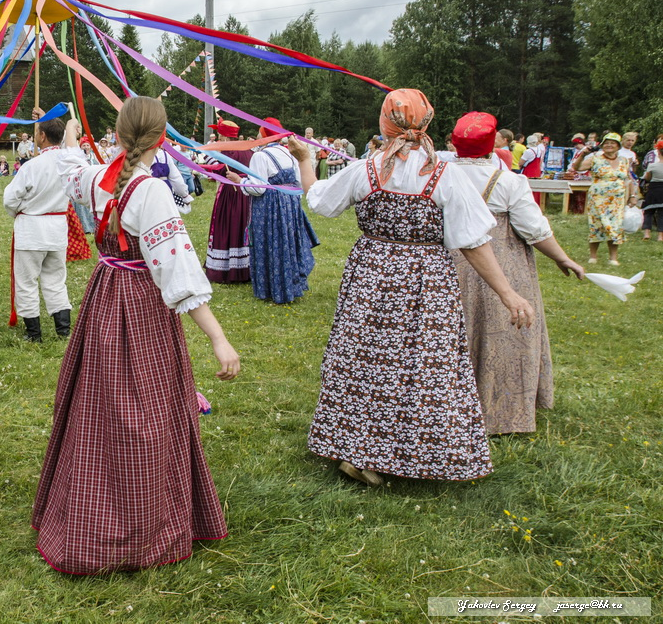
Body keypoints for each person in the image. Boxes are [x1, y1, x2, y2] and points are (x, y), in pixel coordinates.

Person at [33, 97, 239, 575]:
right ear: (163, 140)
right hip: (140, 306)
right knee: (144, 408)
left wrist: (67, 133)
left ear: (119, 135)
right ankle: (141, 523)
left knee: (100, 404)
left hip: (105, 296)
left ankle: (89, 504)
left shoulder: (97, 177)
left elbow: (70, 165)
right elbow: (179, 274)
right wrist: (217, 338)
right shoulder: (151, 192)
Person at [301, 89, 534, 486]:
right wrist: (507, 291)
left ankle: (360, 450)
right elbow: (473, 242)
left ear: (384, 124)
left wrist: (305, 161)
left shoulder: (365, 169)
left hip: (370, 276)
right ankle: (410, 451)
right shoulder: (447, 176)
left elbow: (319, 199)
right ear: (427, 123)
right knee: (423, 365)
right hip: (425, 282)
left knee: (366, 361)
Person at [448, 112, 585, 434]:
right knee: (501, 334)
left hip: (447, 262)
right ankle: (501, 410)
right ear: (491, 146)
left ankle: (450, 406)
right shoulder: (509, 182)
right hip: (501, 262)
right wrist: (563, 259)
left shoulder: (439, 176)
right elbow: (534, 230)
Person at [3, 111, 72, 342]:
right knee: (55, 279)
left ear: (42, 136)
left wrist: (22, 210)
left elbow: (10, 198)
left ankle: (34, 334)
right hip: (57, 229)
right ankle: (63, 330)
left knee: (27, 281)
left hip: (32, 230)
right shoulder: (70, 162)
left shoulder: (33, 166)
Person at [241, 117, 319, 304]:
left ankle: (271, 288)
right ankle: (290, 285)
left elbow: (259, 188)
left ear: (264, 134)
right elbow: (299, 182)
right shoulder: (290, 153)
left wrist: (242, 182)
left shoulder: (260, 156)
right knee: (287, 243)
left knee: (269, 242)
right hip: (290, 204)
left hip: (269, 208)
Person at [199, 119, 253, 283]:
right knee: (241, 225)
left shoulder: (227, 153)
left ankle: (226, 270)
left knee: (227, 225)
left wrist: (208, 161)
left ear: (223, 135)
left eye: (220, 134)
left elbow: (221, 171)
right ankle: (244, 269)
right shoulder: (248, 150)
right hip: (245, 192)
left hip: (230, 193)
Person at [570, 133, 632, 265]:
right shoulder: (595, 159)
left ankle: (613, 258)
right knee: (597, 225)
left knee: (615, 226)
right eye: (606, 143)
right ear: (602, 145)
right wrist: (583, 155)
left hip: (617, 201)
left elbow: (628, 179)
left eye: (613, 143)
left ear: (618, 146)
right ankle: (593, 256)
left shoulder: (624, 160)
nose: (609, 145)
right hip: (598, 200)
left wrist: (632, 196)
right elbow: (576, 168)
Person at [641, 139, 663, 242]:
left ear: (658, 152)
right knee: (662, 214)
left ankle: (647, 233)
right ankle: (660, 236)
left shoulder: (652, 165)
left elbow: (647, 178)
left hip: (654, 190)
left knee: (648, 212)